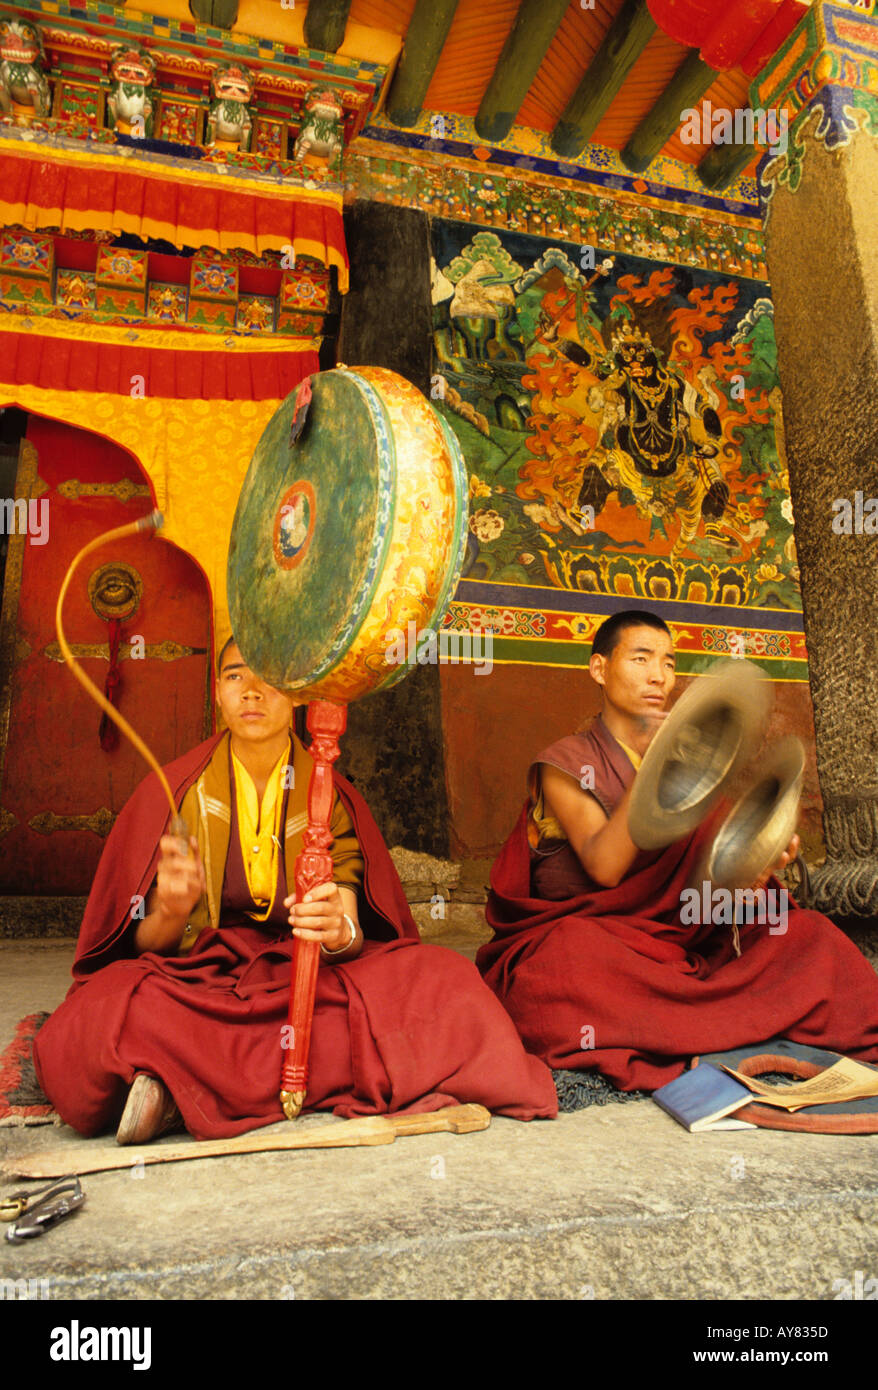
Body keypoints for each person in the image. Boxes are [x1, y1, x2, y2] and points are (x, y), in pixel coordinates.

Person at [33, 641, 556, 1142]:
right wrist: (170, 910)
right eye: (237, 676)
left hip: (306, 977)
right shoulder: (171, 793)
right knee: (107, 1009)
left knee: (445, 981)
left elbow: (350, 932)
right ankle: (261, 1079)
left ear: (299, 695)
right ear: (218, 691)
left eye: (272, 679)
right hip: (201, 982)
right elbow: (141, 947)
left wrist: (336, 929)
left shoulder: (332, 793)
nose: (253, 691)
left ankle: (184, 1087)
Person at [476, 609, 878, 1091]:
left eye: (669, 663)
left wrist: (759, 860)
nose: (657, 676)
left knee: (809, 936)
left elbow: (715, 879)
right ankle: (731, 1021)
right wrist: (660, 770)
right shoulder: (564, 765)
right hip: (608, 943)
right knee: (563, 968)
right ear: (600, 669)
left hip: (683, 942)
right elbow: (604, 868)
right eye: (641, 658)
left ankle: (691, 1024)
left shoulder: (696, 763)